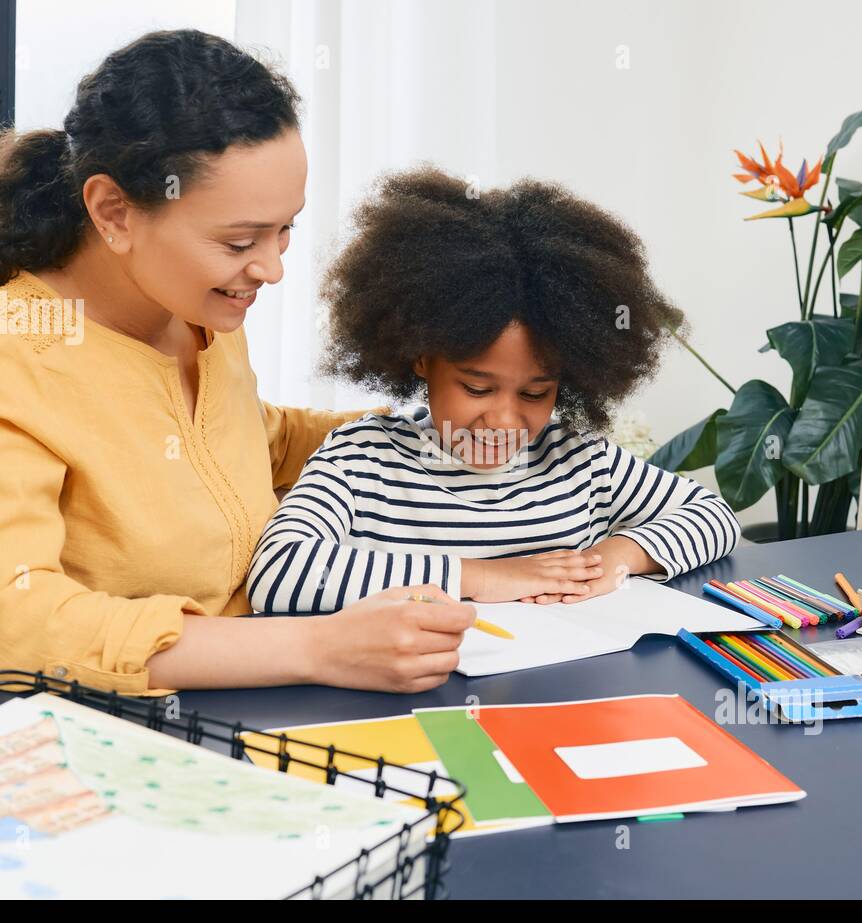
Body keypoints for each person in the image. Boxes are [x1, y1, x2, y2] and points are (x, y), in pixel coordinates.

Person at [0, 31, 473, 695]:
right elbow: (13, 621)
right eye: (239, 240)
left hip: (244, 702)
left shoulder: (196, 309)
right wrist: (316, 645)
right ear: (113, 212)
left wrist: (436, 426)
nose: (271, 267)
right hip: (51, 725)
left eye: (284, 228)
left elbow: (245, 443)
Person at [247, 167, 740, 615]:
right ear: (421, 356)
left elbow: (715, 516)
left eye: (534, 394)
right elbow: (279, 574)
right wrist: (482, 577)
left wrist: (613, 559)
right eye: (477, 387)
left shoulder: (580, 462)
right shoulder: (363, 461)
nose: (504, 420)